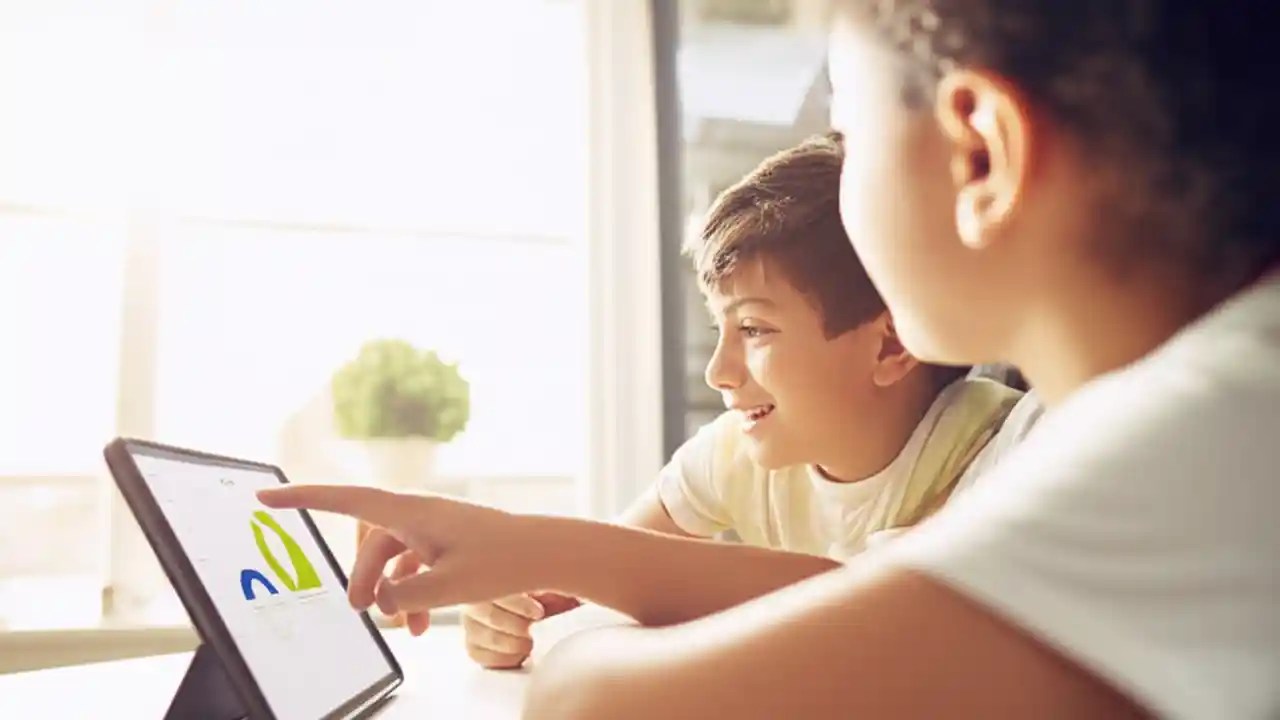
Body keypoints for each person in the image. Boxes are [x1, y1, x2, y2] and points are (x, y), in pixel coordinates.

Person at [263, 1, 1280, 716]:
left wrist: (579, 610)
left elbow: (596, 708)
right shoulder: (1124, 417)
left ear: (980, 155)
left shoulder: (1214, 428)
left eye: (846, 131)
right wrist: (542, 548)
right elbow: (838, 597)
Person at [451, 134, 1029, 668]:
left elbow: (860, 609)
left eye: (753, 329)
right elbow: (592, 585)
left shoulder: (1002, 456)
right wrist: (514, 608)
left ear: (890, 344)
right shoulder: (734, 453)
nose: (717, 372)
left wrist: (565, 551)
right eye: (717, 329)